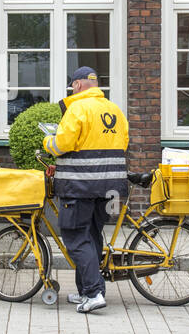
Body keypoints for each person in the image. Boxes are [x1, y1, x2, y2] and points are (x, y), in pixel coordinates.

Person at [41, 67, 130, 314]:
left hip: (80, 185)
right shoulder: (114, 109)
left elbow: (63, 144)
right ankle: (87, 291)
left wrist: (48, 141)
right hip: (109, 187)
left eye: (72, 86)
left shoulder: (77, 109)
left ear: (78, 85)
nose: (72, 90)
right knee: (91, 235)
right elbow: (124, 142)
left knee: (75, 237)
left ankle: (93, 293)